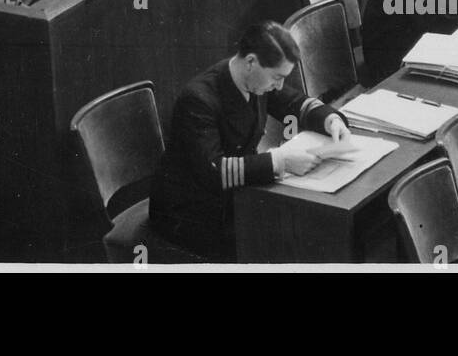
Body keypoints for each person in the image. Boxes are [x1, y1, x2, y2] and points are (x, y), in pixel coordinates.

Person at [149, 21, 348, 261]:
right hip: (190, 211)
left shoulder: (256, 80)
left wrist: (330, 120)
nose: (280, 85)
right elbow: (215, 171)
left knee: (306, 228)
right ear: (251, 61)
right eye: (277, 77)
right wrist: (280, 162)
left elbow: (293, 102)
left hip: (234, 196)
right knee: (282, 240)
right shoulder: (199, 99)